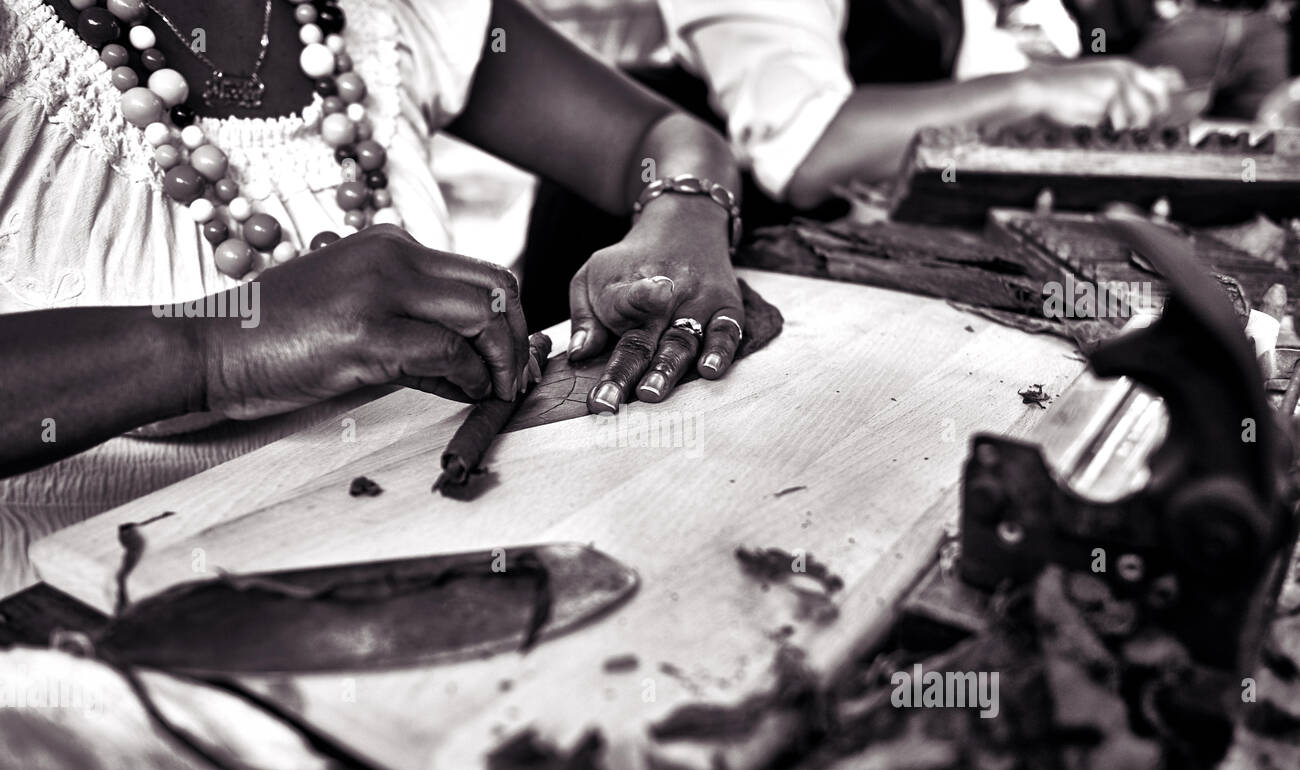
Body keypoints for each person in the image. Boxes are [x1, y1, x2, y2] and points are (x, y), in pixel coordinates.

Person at [0, 0, 748, 595]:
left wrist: (684, 209)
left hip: (413, 566)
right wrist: (214, 349)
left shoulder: (379, 13)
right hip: (72, 631)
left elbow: (662, 132)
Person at [521, 0, 1189, 318]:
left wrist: (1086, 94)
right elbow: (810, 149)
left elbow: (986, 92)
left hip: (810, 275)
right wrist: (1031, 89)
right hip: (659, 250)